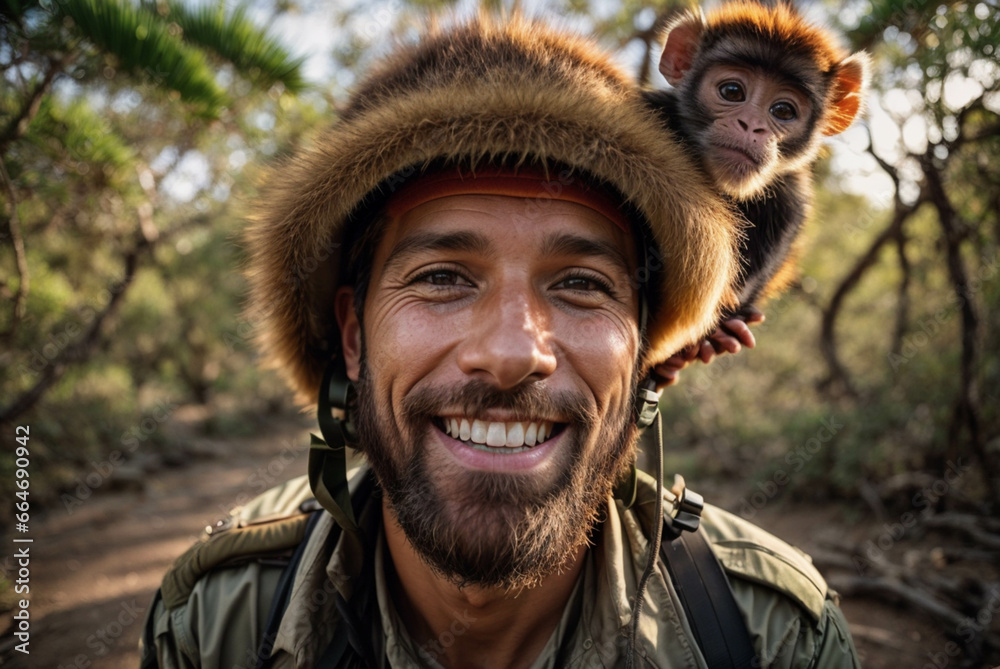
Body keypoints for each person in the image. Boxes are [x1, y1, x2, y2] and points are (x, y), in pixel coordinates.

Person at [140, 15, 861, 669]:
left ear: (644, 344)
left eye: (581, 285)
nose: (514, 352)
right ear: (352, 336)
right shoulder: (217, 620)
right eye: (444, 276)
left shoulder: (769, 637)